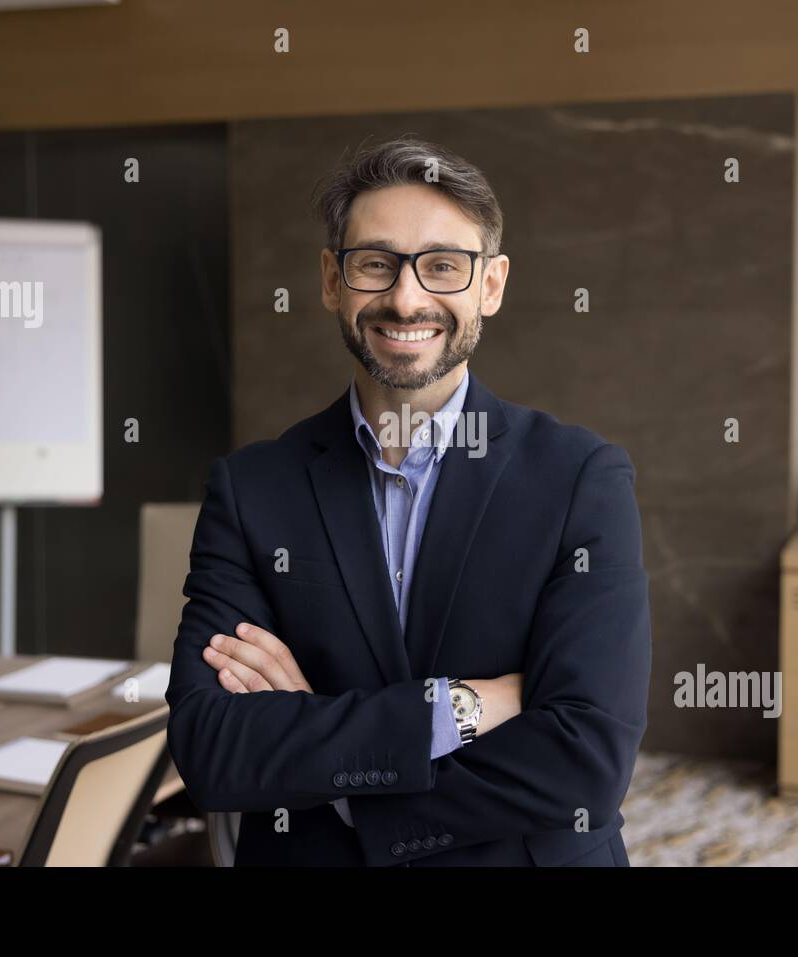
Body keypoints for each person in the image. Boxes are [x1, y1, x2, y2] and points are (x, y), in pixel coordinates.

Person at [165, 135, 651, 866]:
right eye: (375, 263)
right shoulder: (252, 490)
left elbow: (586, 760)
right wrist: (453, 707)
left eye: (443, 267)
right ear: (333, 279)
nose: (406, 297)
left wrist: (327, 759)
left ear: (491, 285)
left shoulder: (581, 477)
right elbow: (211, 749)